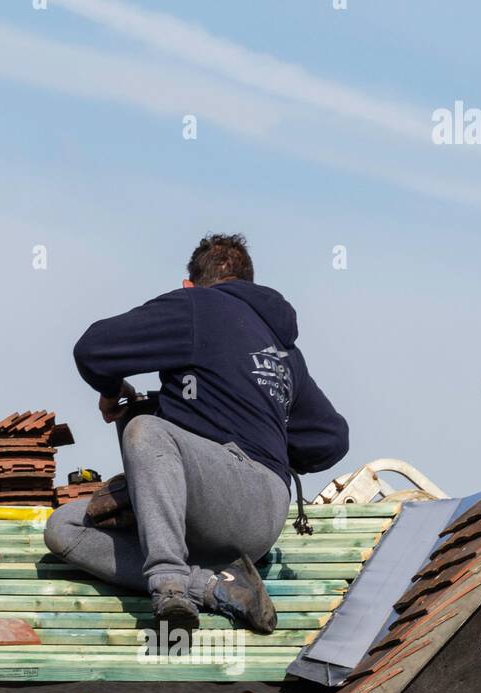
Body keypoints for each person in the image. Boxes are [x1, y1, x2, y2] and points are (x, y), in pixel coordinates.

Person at [45, 233, 349, 635]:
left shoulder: (196, 305)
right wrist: (263, 434)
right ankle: (215, 587)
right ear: (248, 284)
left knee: (146, 430)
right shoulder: (284, 349)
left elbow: (93, 348)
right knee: (64, 527)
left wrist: (111, 390)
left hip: (233, 500)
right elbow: (330, 438)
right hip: (258, 519)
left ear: (189, 285)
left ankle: (169, 584)